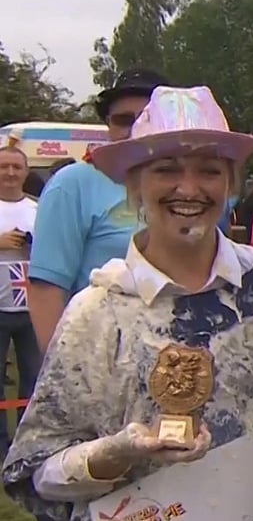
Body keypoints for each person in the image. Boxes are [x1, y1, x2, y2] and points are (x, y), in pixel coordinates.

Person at [2, 86, 253, 521]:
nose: (189, 188)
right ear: (135, 184)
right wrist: (116, 452)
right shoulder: (96, 313)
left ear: (230, 183)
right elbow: (37, 471)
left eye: (208, 170)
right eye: (166, 170)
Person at [27, 68, 168, 353]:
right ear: (108, 125)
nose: (134, 129)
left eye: (146, 118)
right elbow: (46, 289)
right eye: (123, 120)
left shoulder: (190, 186)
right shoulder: (73, 184)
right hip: (99, 360)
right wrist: (64, 375)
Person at [0, 145, 40, 456]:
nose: (10, 173)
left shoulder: (38, 209)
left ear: (26, 172)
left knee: (35, 377)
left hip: (33, 307)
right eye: (4, 166)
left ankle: (27, 444)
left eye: (16, 167)